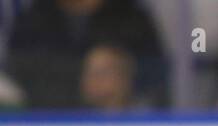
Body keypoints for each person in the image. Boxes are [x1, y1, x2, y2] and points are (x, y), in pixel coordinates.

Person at [6, 0, 165, 109]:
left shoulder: (133, 20)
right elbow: (14, 87)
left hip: (126, 125)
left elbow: (157, 84)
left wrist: (123, 91)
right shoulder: (32, 21)